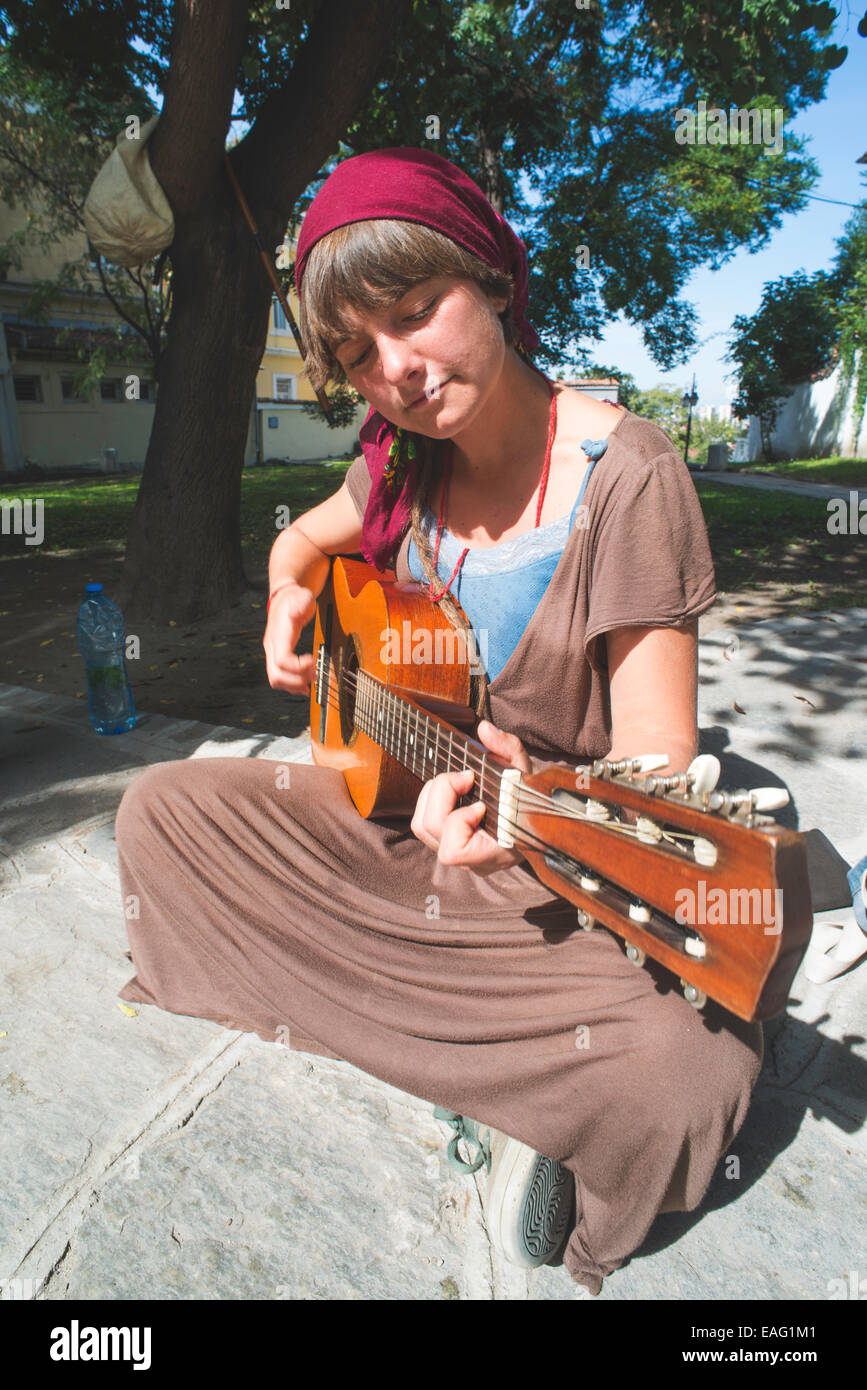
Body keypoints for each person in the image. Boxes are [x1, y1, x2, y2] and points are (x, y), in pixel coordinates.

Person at [115, 146, 763, 1295]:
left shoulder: (628, 477)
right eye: (360, 353)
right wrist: (286, 602)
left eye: (417, 314)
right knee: (162, 807)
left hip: (547, 860)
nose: (398, 371)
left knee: (685, 1071)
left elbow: (659, 772)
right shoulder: (399, 466)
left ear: (495, 279)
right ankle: (507, 1062)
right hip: (405, 813)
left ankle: (519, 1080)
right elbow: (298, 542)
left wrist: (520, 828)